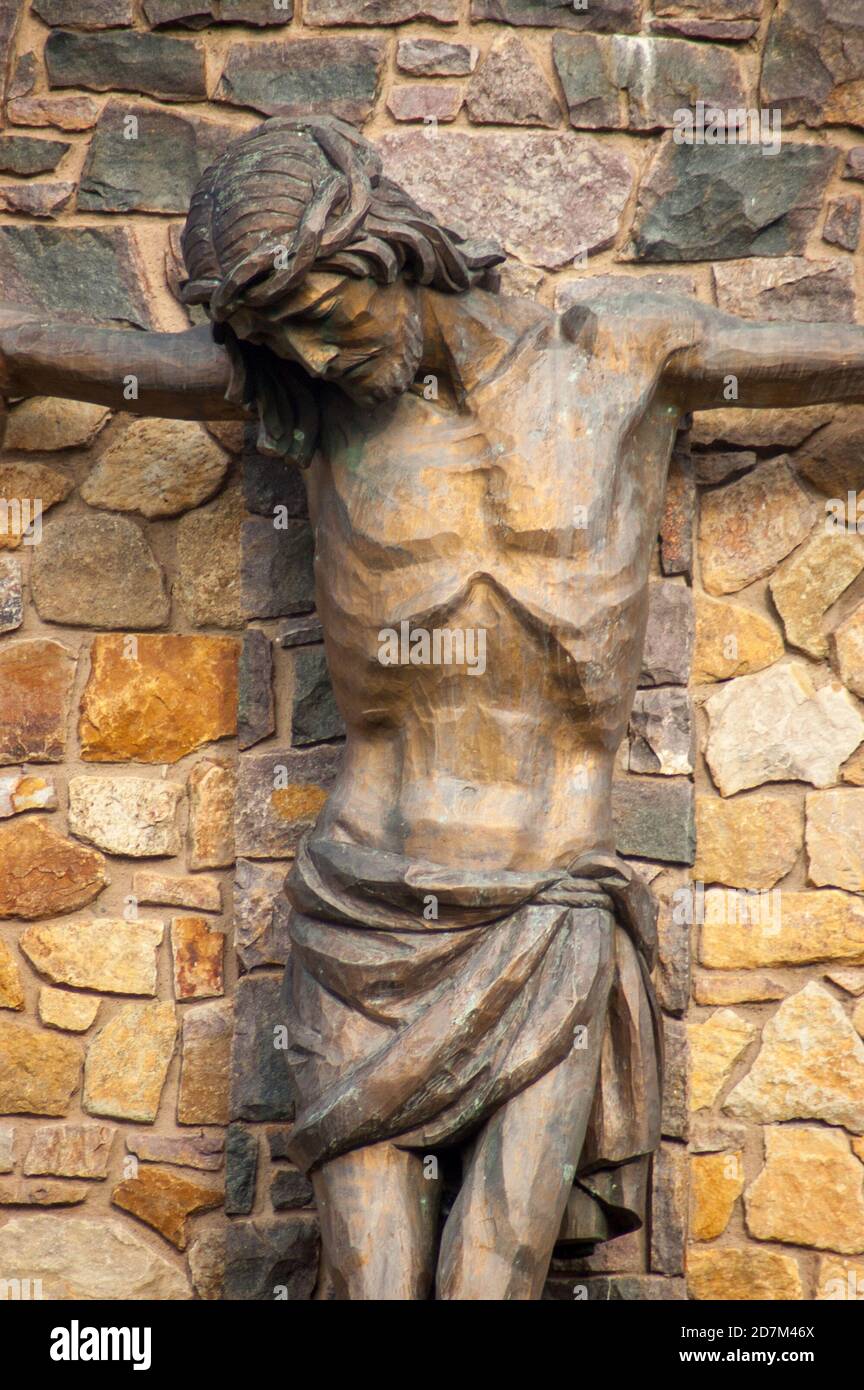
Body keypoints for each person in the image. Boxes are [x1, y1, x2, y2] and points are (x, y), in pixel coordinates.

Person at [2, 115, 863, 1300]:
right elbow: (97, 361)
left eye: (320, 312)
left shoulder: (624, 354)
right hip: (364, 910)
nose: (308, 354)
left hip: (545, 904)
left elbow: (827, 355)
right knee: (370, 1277)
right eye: (275, 336)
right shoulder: (314, 406)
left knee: (495, 1273)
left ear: (385, 246)